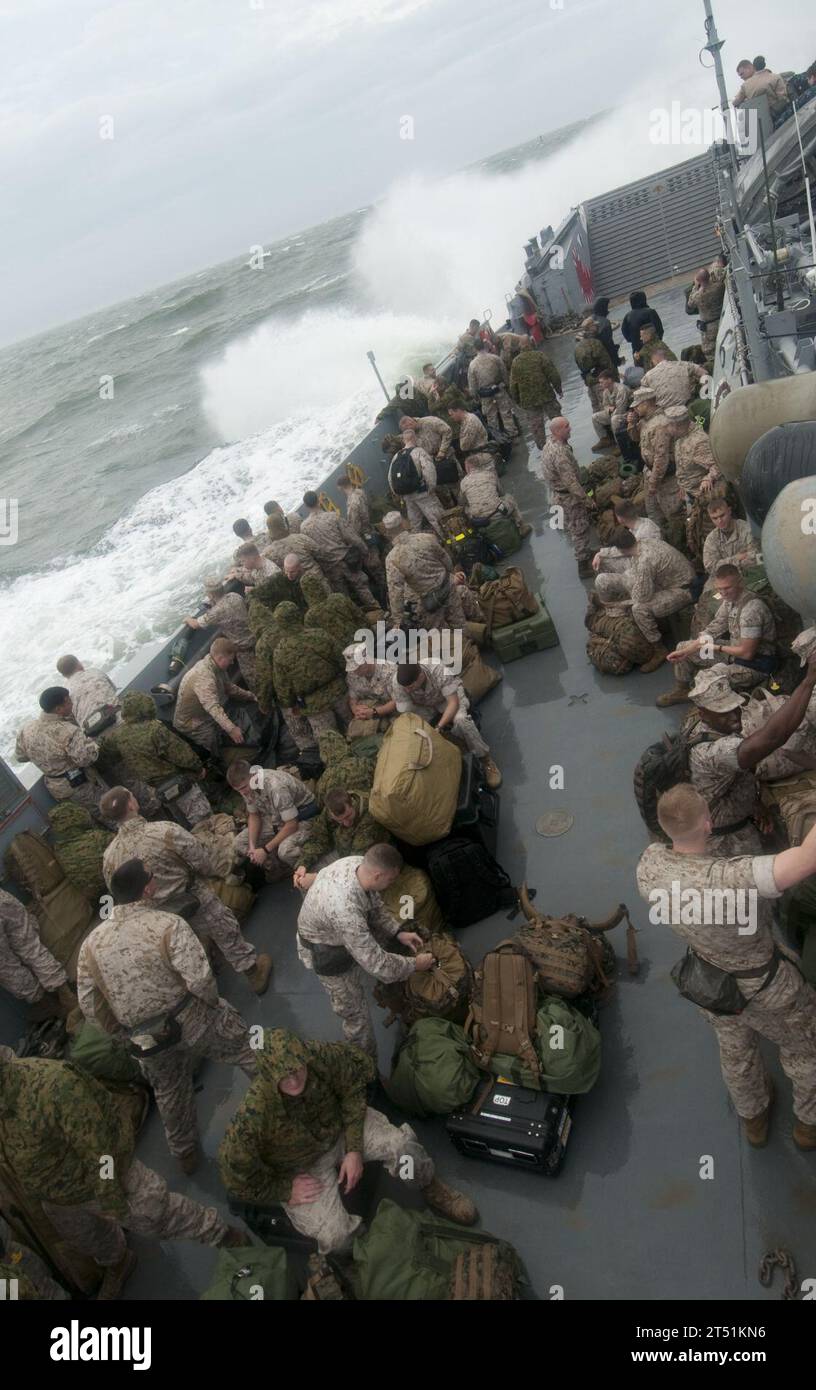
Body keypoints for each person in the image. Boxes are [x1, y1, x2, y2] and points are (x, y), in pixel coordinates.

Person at [636, 777, 816, 1149]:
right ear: (707, 823)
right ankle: (808, 1126)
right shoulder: (734, 879)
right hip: (766, 985)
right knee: (805, 1046)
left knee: (736, 1050)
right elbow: (804, 861)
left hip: (710, 980)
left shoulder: (649, 867)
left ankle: (754, 1119)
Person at [0, 1046, 245, 1299]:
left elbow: (100, 1148)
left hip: (101, 1180)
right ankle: (118, 1261)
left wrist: (112, 1200)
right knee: (88, 1239)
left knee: (155, 1214)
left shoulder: (51, 1085)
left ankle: (223, 1235)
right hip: (57, 1196)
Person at [218, 1027, 477, 1253]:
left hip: (342, 1129)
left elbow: (352, 1089)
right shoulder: (254, 1115)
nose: (294, 1079)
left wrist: (353, 1149)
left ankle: (429, 1185)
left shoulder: (321, 1056)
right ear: (268, 1076)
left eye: (297, 1068)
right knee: (335, 1237)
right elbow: (235, 1177)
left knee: (403, 1148)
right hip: (303, 1167)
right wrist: (285, 1189)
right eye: (283, 1076)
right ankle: (368, 1252)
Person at [77, 858, 256, 1173]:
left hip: (145, 1038)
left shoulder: (90, 946)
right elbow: (201, 980)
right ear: (147, 888)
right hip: (191, 1017)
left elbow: (91, 1007)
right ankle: (286, 1090)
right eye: (152, 878)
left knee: (170, 1091)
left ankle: (185, 1153)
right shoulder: (167, 925)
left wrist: (123, 1034)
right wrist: (213, 1006)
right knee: (247, 1048)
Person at [101, 786, 272, 994]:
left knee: (183, 950)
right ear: (131, 804)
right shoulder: (164, 831)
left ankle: (205, 981)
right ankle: (253, 973)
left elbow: (120, 893)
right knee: (224, 927)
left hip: (158, 917)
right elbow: (203, 862)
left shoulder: (109, 857)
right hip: (191, 897)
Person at [296, 845, 433, 1059]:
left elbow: (374, 904)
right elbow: (378, 966)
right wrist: (416, 965)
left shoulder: (357, 863)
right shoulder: (345, 910)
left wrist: (397, 932)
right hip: (326, 951)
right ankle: (366, 1069)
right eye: (390, 880)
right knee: (356, 1017)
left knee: (381, 944)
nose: (392, 885)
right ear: (378, 874)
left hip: (337, 928)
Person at [681, 662, 816, 856]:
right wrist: (809, 681)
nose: (734, 716)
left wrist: (754, 803)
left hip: (736, 812)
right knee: (759, 881)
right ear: (703, 714)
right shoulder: (712, 751)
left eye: (734, 707)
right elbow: (774, 737)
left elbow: (735, 775)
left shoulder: (710, 728)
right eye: (723, 712)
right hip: (724, 841)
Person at [658, 564, 777, 707]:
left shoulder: (751, 610)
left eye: (727, 588)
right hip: (734, 653)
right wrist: (685, 652)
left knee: (708, 678)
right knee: (683, 646)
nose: (723, 593)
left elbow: (747, 653)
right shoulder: (729, 602)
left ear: (740, 583)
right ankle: (682, 690)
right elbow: (712, 630)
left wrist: (716, 647)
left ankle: (722, 709)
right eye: (719, 589)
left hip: (754, 665)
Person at [379, 660, 502, 789]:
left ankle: (485, 759)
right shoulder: (399, 683)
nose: (407, 690)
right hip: (423, 705)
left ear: (420, 676)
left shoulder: (438, 670)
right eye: (405, 688)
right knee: (419, 735)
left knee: (461, 721)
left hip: (447, 699)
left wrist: (438, 727)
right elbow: (407, 712)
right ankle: (459, 754)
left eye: (410, 687)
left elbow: (453, 703)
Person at [99, 690, 213, 825]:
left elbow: (106, 753)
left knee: (181, 821)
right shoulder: (155, 728)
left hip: (157, 790)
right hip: (179, 781)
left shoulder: (117, 735)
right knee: (204, 819)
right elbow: (181, 754)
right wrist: (198, 768)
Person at [15, 687, 110, 821]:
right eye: (68, 701)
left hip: (57, 788)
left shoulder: (26, 729)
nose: (72, 702)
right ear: (58, 709)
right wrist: (93, 743)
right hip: (81, 786)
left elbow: (21, 757)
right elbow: (87, 759)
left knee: (83, 821)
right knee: (108, 814)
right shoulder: (68, 731)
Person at [609, 526, 694, 666]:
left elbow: (642, 597)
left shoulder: (644, 560)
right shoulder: (645, 542)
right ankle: (660, 624)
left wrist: (625, 602)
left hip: (683, 590)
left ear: (621, 550)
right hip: (679, 580)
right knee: (632, 580)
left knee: (639, 608)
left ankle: (659, 648)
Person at [271, 601, 352, 741]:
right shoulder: (318, 634)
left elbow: (283, 687)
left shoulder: (279, 652)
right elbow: (341, 658)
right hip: (339, 691)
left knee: (331, 744)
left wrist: (290, 704)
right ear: (298, 615)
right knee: (358, 727)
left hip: (314, 706)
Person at [227, 760, 318, 880]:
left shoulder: (276, 786)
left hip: (304, 817)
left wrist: (265, 849)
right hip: (277, 818)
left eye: (243, 787)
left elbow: (292, 824)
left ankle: (311, 872)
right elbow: (254, 816)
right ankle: (279, 867)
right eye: (238, 790)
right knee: (239, 843)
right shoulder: (247, 787)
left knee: (285, 851)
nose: (242, 792)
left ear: (253, 775)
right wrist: (253, 847)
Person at [172, 638, 258, 758]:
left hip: (205, 714)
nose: (232, 663)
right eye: (230, 660)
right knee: (214, 744)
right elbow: (213, 707)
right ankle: (219, 762)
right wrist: (232, 729)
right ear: (220, 658)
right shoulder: (204, 677)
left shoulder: (218, 668)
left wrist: (251, 696)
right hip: (192, 724)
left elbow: (230, 688)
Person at [382, 511, 466, 631]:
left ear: (388, 533)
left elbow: (395, 592)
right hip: (448, 588)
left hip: (429, 602)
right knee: (460, 625)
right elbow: (446, 559)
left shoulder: (392, 559)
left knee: (442, 636)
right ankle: (470, 647)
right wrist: (451, 574)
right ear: (404, 524)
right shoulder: (427, 538)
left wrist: (398, 620)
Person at [294, 787, 390, 891]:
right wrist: (303, 865)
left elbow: (357, 864)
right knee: (305, 876)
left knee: (322, 883)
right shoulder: (330, 811)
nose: (346, 823)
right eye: (339, 820)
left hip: (367, 861)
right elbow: (318, 839)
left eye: (348, 816)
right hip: (342, 852)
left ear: (352, 804)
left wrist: (318, 878)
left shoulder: (368, 817)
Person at [0, 887, 75, 1017]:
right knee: (32, 947)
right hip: (3, 900)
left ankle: (46, 1003)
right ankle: (66, 993)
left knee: (7, 968)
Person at [539, 417, 596, 578]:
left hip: (559, 494)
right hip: (569, 497)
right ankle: (583, 566)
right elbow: (571, 483)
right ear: (557, 431)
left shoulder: (549, 444)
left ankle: (585, 553)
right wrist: (587, 500)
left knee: (575, 528)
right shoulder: (560, 454)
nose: (570, 428)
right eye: (566, 426)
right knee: (580, 529)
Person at [301, 492, 378, 608]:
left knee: (343, 597)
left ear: (306, 506)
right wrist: (364, 550)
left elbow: (312, 549)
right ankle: (378, 612)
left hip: (329, 567)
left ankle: (355, 618)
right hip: (347, 561)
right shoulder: (332, 516)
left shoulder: (304, 527)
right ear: (318, 501)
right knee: (361, 587)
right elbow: (351, 537)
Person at [628, 387, 685, 534]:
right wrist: (631, 424)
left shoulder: (661, 424)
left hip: (666, 478)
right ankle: (660, 540)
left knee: (673, 514)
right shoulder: (645, 421)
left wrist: (653, 484)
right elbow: (635, 438)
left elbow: (661, 459)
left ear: (646, 403)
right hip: (650, 473)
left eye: (637, 405)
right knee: (653, 511)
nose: (634, 409)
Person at [184, 578, 257, 689]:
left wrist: (187, 619)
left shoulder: (215, 612)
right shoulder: (234, 596)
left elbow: (195, 624)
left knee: (253, 678)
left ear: (210, 594)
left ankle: (262, 701)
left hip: (243, 649)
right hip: (256, 639)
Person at [48, 803, 113, 906]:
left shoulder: (59, 851)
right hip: (113, 885)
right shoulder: (96, 837)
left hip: (95, 900)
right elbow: (123, 845)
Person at [388, 434, 446, 541]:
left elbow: (390, 478)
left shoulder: (396, 456)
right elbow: (428, 470)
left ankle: (417, 544)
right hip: (422, 492)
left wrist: (400, 495)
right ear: (415, 438)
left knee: (415, 522)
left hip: (407, 496)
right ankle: (449, 540)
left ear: (404, 440)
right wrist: (431, 488)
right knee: (437, 519)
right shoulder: (419, 451)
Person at [508, 334, 563, 448]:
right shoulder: (540, 356)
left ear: (520, 345)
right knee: (557, 420)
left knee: (537, 428)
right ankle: (563, 444)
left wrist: (518, 401)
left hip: (529, 402)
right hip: (546, 395)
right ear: (531, 343)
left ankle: (545, 451)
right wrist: (559, 390)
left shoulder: (515, 362)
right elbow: (553, 375)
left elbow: (513, 386)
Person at [460, 456, 530, 536]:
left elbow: (462, 502)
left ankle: (476, 535)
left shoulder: (463, 482)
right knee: (509, 498)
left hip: (478, 519)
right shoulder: (489, 474)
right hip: (497, 513)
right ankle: (522, 527)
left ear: (468, 467)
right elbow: (501, 493)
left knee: (466, 509)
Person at [335, 474, 385, 587]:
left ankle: (383, 584)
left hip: (364, 535)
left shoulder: (352, 503)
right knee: (376, 556)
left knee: (373, 564)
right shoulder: (359, 492)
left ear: (340, 487)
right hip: (370, 528)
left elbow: (355, 527)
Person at [301, 570, 369, 653]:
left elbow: (319, 643)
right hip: (361, 641)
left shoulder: (310, 617)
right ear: (320, 585)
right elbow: (360, 616)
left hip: (345, 653)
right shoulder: (338, 597)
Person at [592, 499, 660, 574]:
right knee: (605, 557)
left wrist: (600, 554)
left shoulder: (641, 533)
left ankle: (622, 583)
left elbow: (623, 550)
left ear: (620, 519)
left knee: (603, 562)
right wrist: (601, 553)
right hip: (652, 560)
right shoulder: (645, 522)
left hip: (651, 567)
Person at [262, 509, 329, 585]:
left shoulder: (268, 553)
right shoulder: (300, 538)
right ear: (284, 525)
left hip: (298, 588)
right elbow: (319, 553)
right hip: (318, 580)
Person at [466, 341, 518, 437]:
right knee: (506, 413)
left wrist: (475, 396)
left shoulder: (472, 365)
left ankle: (498, 438)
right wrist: (506, 385)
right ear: (484, 346)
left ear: (475, 349)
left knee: (491, 417)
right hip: (499, 389)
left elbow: (472, 384)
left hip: (485, 395)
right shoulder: (495, 358)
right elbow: (504, 374)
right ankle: (512, 433)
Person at [55, 656, 120, 733]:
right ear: (79, 664)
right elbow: (114, 690)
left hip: (94, 736)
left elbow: (72, 718)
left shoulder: (66, 692)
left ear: (64, 676)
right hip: (119, 719)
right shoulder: (95, 672)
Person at [701, 498, 758, 585]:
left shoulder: (746, 529)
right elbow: (710, 567)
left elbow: (755, 557)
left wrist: (722, 564)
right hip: (721, 580)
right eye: (714, 518)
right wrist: (737, 558)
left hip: (747, 575)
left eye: (722, 515)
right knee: (707, 597)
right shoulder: (711, 538)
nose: (719, 521)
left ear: (729, 511)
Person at [344, 642, 398, 733]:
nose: (355, 671)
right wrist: (355, 709)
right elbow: (353, 697)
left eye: (359, 667)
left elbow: (398, 701)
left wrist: (374, 712)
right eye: (353, 668)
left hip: (394, 710)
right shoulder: (352, 674)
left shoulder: (390, 670)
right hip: (371, 708)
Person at [641, 349, 710, 409]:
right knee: (699, 420)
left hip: (665, 412)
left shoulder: (648, 375)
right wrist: (703, 394)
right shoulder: (682, 364)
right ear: (665, 357)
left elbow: (642, 396)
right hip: (688, 406)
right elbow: (705, 373)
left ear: (654, 360)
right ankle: (700, 422)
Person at [574, 319, 616, 410]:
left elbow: (578, 364)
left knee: (595, 407)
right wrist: (613, 377)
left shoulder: (577, 346)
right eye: (595, 326)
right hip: (600, 380)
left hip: (588, 381)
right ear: (591, 328)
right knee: (607, 405)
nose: (597, 327)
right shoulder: (596, 343)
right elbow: (606, 362)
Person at [687, 268, 726, 363]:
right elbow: (719, 279)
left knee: (710, 352)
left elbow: (690, 304)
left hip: (709, 328)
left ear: (699, 280)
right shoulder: (719, 287)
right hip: (721, 321)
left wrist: (695, 287)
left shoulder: (698, 296)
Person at [591, 370, 633, 456]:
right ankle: (605, 439)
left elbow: (621, 409)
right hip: (614, 412)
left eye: (602, 382)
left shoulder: (621, 390)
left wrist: (611, 412)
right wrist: (609, 409)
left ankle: (619, 444)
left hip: (628, 412)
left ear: (609, 380)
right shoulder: (606, 391)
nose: (600, 384)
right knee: (595, 417)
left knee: (614, 419)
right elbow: (605, 405)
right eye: (600, 382)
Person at [621, 290, 664, 357]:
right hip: (654, 349)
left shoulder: (628, 316)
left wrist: (634, 340)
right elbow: (660, 330)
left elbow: (624, 331)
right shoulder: (650, 312)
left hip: (637, 351)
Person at [592, 296, 621, 365]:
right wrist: (616, 359)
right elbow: (608, 343)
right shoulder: (605, 322)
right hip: (606, 357)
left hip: (595, 357)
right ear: (603, 308)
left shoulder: (591, 319)